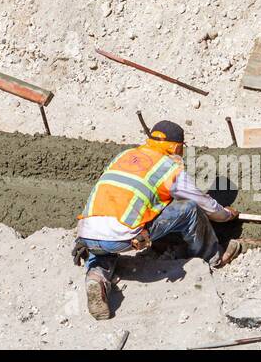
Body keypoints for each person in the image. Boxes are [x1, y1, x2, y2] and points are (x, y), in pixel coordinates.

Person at [73, 120, 242, 320]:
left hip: (86, 233)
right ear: (177, 146)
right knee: (188, 209)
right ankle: (214, 257)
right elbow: (202, 202)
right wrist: (226, 214)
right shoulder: (168, 168)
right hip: (123, 236)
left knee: (107, 242)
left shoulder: (124, 155)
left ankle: (96, 276)